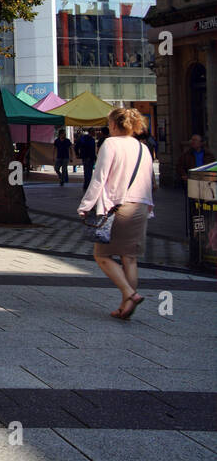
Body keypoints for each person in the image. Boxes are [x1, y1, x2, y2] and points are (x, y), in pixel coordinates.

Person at [78, 107, 155, 320]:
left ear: (113, 124)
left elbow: (99, 177)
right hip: (140, 205)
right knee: (129, 258)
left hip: (117, 207)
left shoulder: (110, 144)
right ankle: (126, 305)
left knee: (101, 255)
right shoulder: (143, 148)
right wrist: (149, 207)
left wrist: (86, 205)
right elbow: (149, 180)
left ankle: (130, 294)